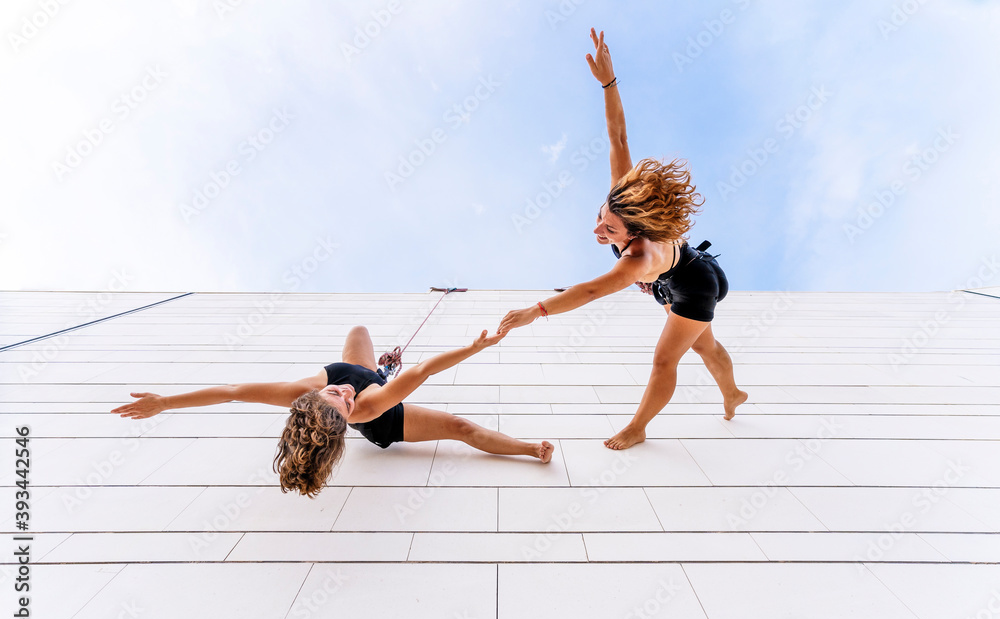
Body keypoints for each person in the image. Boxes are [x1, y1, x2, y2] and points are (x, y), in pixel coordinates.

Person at [498, 28, 747, 450]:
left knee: (666, 359)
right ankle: (733, 393)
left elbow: (592, 289)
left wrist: (533, 311)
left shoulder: (636, 259)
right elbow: (618, 137)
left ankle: (638, 427)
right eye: (601, 217)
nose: (598, 230)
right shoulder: (623, 200)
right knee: (705, 345)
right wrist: (608, 83)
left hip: (695, 283)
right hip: (675, 277)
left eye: (609, 231)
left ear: (635, 233)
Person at [111, 326, 554, 496]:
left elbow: (230, 391)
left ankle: (377, 367)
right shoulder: (367, 406)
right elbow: (422, 371)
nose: (344, 392)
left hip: (368, 373)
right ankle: (529, 448)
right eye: (344, 401)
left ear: (309, 400)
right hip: (387, 421)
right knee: (458, 426)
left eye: (335, 395)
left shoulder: (298, 393)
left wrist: (164, 402)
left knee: (359, 331)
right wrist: (474, 347)